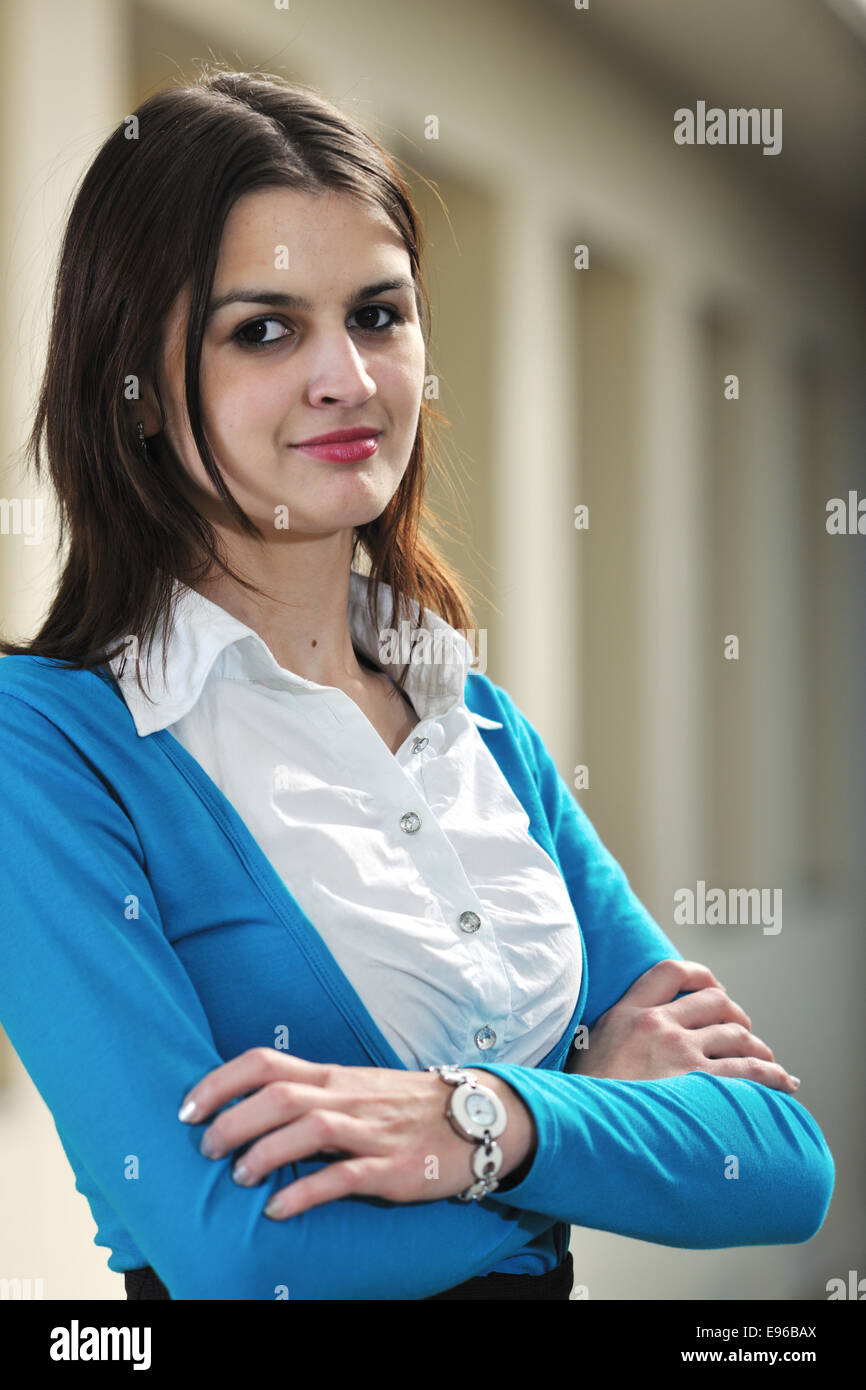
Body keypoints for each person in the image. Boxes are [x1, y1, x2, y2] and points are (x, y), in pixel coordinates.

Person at [0, 69, 833, 1302]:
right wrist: (580, 1118)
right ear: (132, 387)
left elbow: (776, 1166)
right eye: (263, 329)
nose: (347, 377)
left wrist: (478, 1121)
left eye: (378, 315)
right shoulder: (52, 747)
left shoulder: (480, 725)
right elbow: (235, 1250)